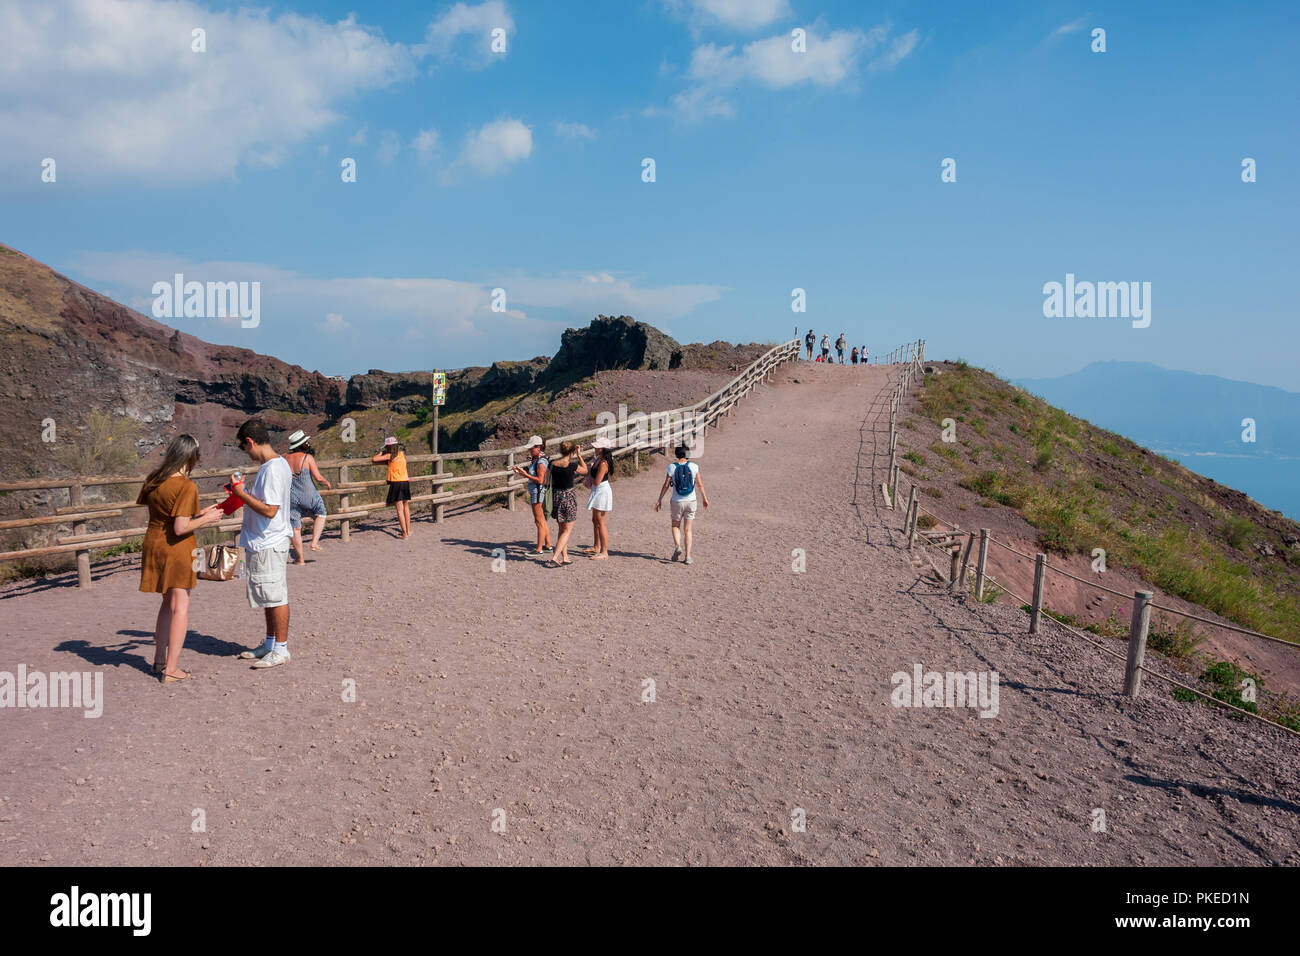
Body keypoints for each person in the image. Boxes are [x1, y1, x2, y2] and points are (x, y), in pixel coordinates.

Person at [137, 434, 224, 682]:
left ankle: (159, 660)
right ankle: (172, 669)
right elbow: (180, 528)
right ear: (191, 457)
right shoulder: (186, 486)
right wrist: (207, 519)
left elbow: (169, 515)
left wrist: (203, 511)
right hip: (177, 549)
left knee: (166, 604)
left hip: (154, 544)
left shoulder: (154, 479)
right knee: (181, 608)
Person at [231, 419, 294, 669]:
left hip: (270, 541)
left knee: (276, 596)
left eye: (245, 448)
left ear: (250, 442)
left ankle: (281, 649)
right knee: (268, 595)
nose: (247, 454)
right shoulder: (273, 466)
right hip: (263, 542)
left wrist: (241, 494)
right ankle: (270, 643)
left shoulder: (273, 469)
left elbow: (270, 510)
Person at [655, 444, 709, 565]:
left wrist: (659, 500)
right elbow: (700, 485)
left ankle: (678, 546)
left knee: (675, 526)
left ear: (676, 455)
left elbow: (665, 485)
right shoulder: (694, 467)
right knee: (688, 530)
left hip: (676, 501)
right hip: (691, 501)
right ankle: (688, 556)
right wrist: (705, 498)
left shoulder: (671, 467)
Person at [285, 430, 331, 564]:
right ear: (303, 444)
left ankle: (300, 559)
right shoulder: (307, 458)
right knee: (321, 513)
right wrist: (326, 482)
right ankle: (314, 542)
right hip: (309, 494)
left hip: (291, 496)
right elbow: (318, 477)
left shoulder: (284, 458)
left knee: (295, 527)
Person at [510, 436, 552, 555]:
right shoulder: (536, 458)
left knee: (539, 521)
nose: (530, 450)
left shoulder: (541, 461)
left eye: (531, 448)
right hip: (536, 492)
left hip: (537, 492)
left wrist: (525, 475)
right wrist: (522, 472)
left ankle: (539, 549)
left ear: (538, 447)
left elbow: (540, 479)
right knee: (542, 520)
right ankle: (548, 545)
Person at [544, 440, 581, 567]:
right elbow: (586, 470)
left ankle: (565, 556)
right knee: (568, 530)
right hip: (568, 497)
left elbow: (545, 481)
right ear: (571, 453)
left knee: (561, 529)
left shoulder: (552, 464)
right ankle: (555, 557)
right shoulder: (572, 466)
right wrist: (580, 455)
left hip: (556, 496)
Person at [372, 437, 411, 538]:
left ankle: (404, 534)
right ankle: (409, 530)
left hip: (396, 483)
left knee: (399, 510)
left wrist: (381, 452)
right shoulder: (402, 454)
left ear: (388, 447)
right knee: (406, 507)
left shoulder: (389, 456)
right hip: (405, 481)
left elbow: (374, 459)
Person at [584, 436, 614, 560]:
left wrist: (589, 471)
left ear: (602, 449)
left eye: (598, 447)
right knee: (595, 520)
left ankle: (604, 551)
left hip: (601, 491)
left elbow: (597, 481)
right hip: (598, 491)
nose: (595, 448)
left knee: (601, 522)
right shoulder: (599, 460)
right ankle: (597, 546)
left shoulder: (603, 463)